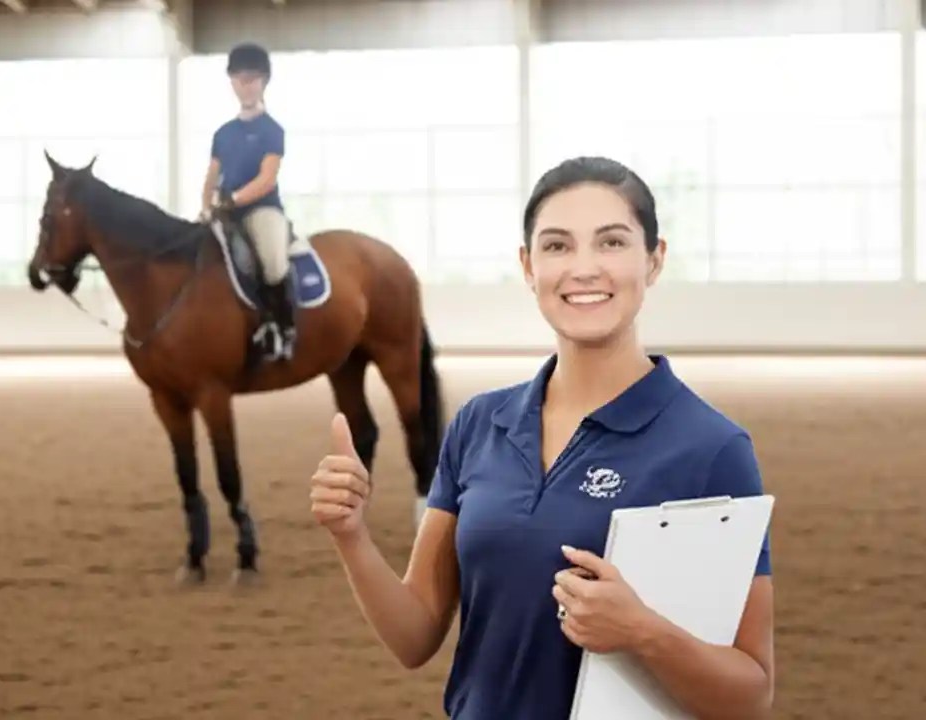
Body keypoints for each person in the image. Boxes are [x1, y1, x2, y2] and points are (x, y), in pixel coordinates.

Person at [309, 156, 775, 719]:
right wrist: (351, 534)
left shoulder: (712, 450)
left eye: (611, 243)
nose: (583, 268)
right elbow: (415, 637)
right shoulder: (479, 424)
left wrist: (640, 631)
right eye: (557, 246)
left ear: (654, 260)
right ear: (529, 266)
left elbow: (749, 695)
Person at [201, 41, 296, 362]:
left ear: (264, 81)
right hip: (224, 210)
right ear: (232, 82)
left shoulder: (272, 130)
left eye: (253, 78)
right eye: (241, 79)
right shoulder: (222, 133)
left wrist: (235, 199)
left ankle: (282, 329)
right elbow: (212, 175)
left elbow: (267, 178)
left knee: (272, 262)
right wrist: (205, 205)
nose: (247, 85)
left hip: (262, 209)